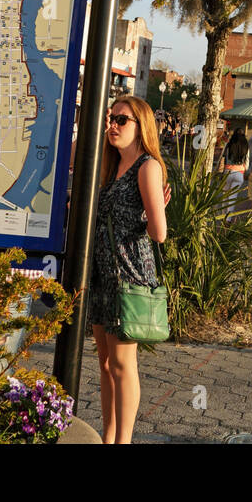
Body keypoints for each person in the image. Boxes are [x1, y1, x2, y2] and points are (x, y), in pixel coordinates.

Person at [90, 95, 168, 445]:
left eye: (122, 120)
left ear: (141, 127)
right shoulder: (109, 166)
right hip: (102, 274)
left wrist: (151, 210)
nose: (113, 125)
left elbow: (159, 233)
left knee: (123, 365)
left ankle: (123, 441)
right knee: (105, 364)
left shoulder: (147, 167)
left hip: (129, 274)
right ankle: (108, 438)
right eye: (111, 118)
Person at [221, 127, 248, 207]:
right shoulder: (246, 146)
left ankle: (223, 216)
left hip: (228, 171)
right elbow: (247, 161)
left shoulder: (229, 145)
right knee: (233, 196)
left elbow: (224, 158)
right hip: (239, 173)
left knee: (225, 195)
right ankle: (228, 219)